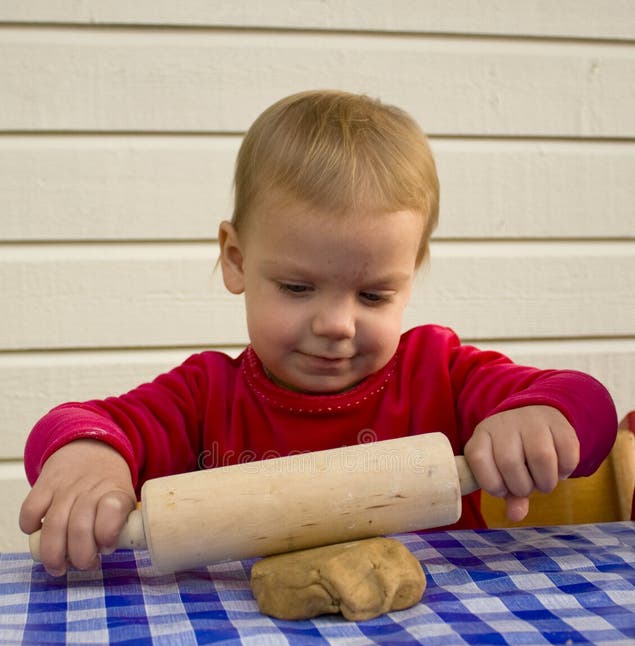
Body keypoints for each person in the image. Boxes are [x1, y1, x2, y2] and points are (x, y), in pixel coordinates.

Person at [20, 90, 618, 576]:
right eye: (298, 288)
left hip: (435, 638)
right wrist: (88, 456)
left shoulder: (441, 372)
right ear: (236, 259)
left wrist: (542, 416)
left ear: (411, 276)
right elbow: (83, 423)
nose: (336, 324)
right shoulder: (205, 396)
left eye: (374, 294)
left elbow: (586, 407)